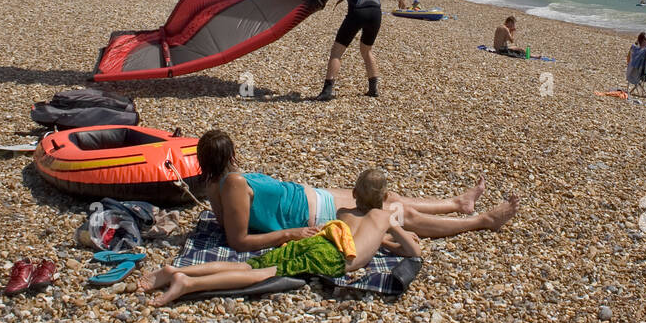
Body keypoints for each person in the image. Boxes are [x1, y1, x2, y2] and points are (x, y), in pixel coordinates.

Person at [138, 168, 423, 306]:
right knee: (263, 274)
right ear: (384, 197)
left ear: (356, 193)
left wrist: (380, 241)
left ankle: (177, 270)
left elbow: (346, 233)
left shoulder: (347, 209)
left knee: (252, 264)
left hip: (316, 242)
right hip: (329, 259)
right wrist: (396, 235)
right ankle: (186, 284)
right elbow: (412, 252)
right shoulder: (385, 217)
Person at [197, 129, 519, 251]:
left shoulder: (216, 183)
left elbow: (229, 222)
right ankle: (482, 221)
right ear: (229, 154)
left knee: (389, 198)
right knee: (399, 214)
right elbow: (237, 240)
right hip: (314, 213)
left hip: (311, 197)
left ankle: (456, 202)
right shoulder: (233, 184)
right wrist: (288, 235)